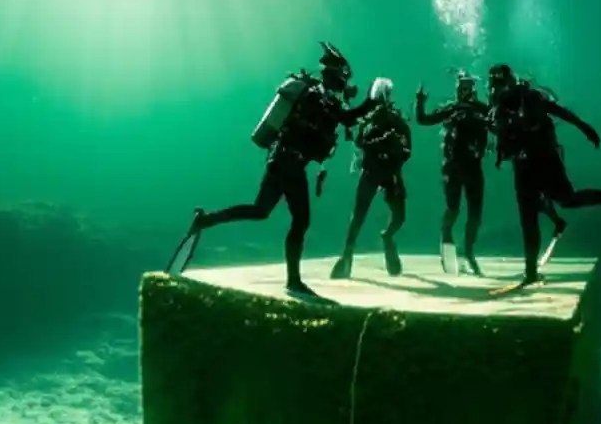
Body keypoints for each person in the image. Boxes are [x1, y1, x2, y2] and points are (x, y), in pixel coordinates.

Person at [179, 43, 375, 299]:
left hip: (279, 159)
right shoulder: (319, 97)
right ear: (336, 75)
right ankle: (293, 281)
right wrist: (372, 99)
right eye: (343, 78)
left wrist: (355, 102)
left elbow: (338, 118)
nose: (344, 84)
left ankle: (205, 220)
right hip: (289, 163)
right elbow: (346, 118)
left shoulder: (317, 95)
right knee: (301, 220)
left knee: (260, 210)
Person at [487, 63, 601, 285]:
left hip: (545, 159)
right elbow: (502, 134)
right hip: (522, 166)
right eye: (493, 85)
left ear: (509, 82)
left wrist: (585, 127)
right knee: (528, 219)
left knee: (567, 200)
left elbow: (559, 111)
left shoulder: (529, 97)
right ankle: (530, 273)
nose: (496, 89)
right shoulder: (497, 106)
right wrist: (499, 153)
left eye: (500, 84)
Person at [330, 78, 411, 280]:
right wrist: (383, 142)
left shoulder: (396, 119)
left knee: (399, 217)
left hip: (391, 171)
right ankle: (346, 256)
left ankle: (388, 236)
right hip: (372, 171)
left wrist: (396, 150)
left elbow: (407, 149)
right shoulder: (369, 119)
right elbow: (361, 143)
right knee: (358, 215)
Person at [415, 70, 494, 277]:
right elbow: (423, 120)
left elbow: (498, 128)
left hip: (474, 168)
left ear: (473, 90)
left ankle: (469, 252)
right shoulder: (452, 109)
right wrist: (420, 101)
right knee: (453, 209)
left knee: (475, 215)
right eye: (460, 88)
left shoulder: (483, 109)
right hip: (453, 167)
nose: (462, 91)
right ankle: (446, 235)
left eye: (466, 88)